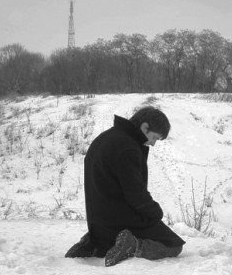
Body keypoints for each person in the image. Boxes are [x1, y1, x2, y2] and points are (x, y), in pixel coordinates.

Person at [64, 106, 185, 266]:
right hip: (119, 220)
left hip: (98, 221)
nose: (154, 144)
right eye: (154, 137)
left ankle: (96, 243)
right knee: (174, 245)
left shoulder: (106, 137)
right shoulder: (128, 147)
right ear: (144, 127)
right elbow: (136, 195)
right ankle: (133, 245)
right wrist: (156, 213)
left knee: (122, 231)